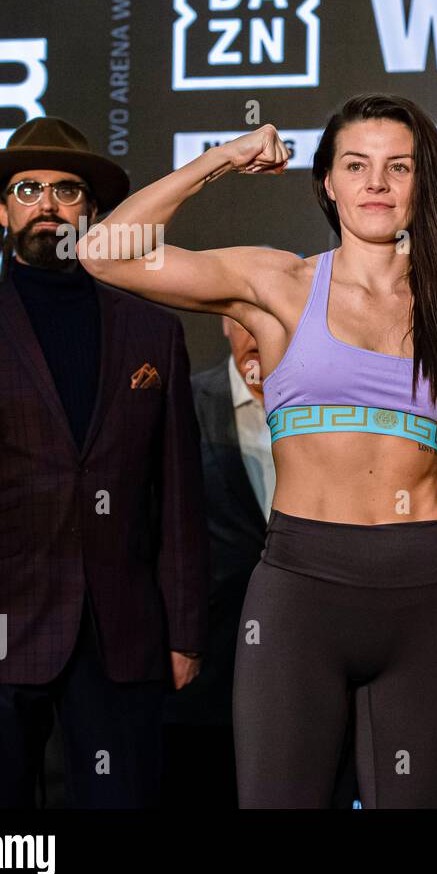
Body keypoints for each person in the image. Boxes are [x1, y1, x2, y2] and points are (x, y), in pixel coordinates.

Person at [77, 94, 437, 808]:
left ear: (422, 183)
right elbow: (102, 252)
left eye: (397, 167)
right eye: (356, 165)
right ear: (327, 184)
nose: (376, 183)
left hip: (423, 601)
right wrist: (220, 160)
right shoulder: (276, 284)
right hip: (300, 597)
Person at [0, 116, 208, 807]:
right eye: (28, 188)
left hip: (122, 637)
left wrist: (184, 631)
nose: (48, 203)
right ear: (2, 208)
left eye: (66, 189)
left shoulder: (152, 331)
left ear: (92, 209)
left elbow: (178, 495)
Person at [162, 316, 275, 808]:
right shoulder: (181, 402)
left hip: (309, 669)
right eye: (241, 314)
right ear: (225, 323)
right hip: (207, 669)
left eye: (267, 313)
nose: (254, 330)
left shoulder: (329, 408)